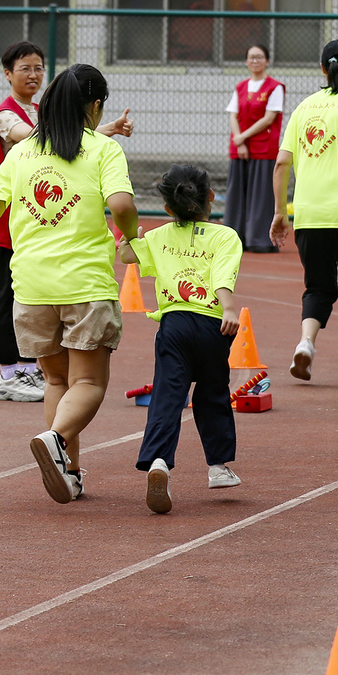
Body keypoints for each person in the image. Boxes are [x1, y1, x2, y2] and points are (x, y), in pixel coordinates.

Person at [0, 63, 139, 504]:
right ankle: (56, 438)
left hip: (30, 286)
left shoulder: (22, 153)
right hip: (85, 283)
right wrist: (132, 235)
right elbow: (121, 204)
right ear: (95, 104)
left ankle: (72, 472)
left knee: (57, 382)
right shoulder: (103, 149)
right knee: (90, 384)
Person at [0, 42, 134, 405]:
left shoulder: (42, 110)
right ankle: (9, 370)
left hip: (39, 223)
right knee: (8, 296)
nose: (33, 74)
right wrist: (98, 133)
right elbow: (40, 138)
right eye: (25, 68)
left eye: (39, 68)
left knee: (57, 376)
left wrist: (99, 130)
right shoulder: (8, 114)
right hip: (18, 220)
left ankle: (63, 458)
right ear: (7, 73)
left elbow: (62, 136)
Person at [118, 165, 244, 514]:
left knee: (168, 395)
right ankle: (218, 468)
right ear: (211, 197)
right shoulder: (225, 236)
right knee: (213, 392)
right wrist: (229, 308)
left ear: (168, 208)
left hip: (173, 326)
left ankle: (159, 462)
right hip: (212, 327)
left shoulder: (158, 236)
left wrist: (129, 239)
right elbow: (222, 276)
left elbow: (128, 255)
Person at [270, 39, 338, 389]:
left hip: (310, 213)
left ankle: (306, 342)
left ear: (322, 69)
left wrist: (280, 212)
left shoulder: (304, 108)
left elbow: (282, 162)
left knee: (318, 286)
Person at [226, 44, 285, 253]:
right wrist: (239, 142)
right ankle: (234, 238)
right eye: (251, 57)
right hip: (240, 149)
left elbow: (269, 118)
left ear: (267, 61)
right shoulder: (240, 87)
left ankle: (259, 239)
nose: (255, 61)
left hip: (262, 149)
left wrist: (242, 136)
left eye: (260, 57)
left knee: (260, 196)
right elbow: (233, 115)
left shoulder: (275, 87)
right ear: (246, 61)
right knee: (236, 195)